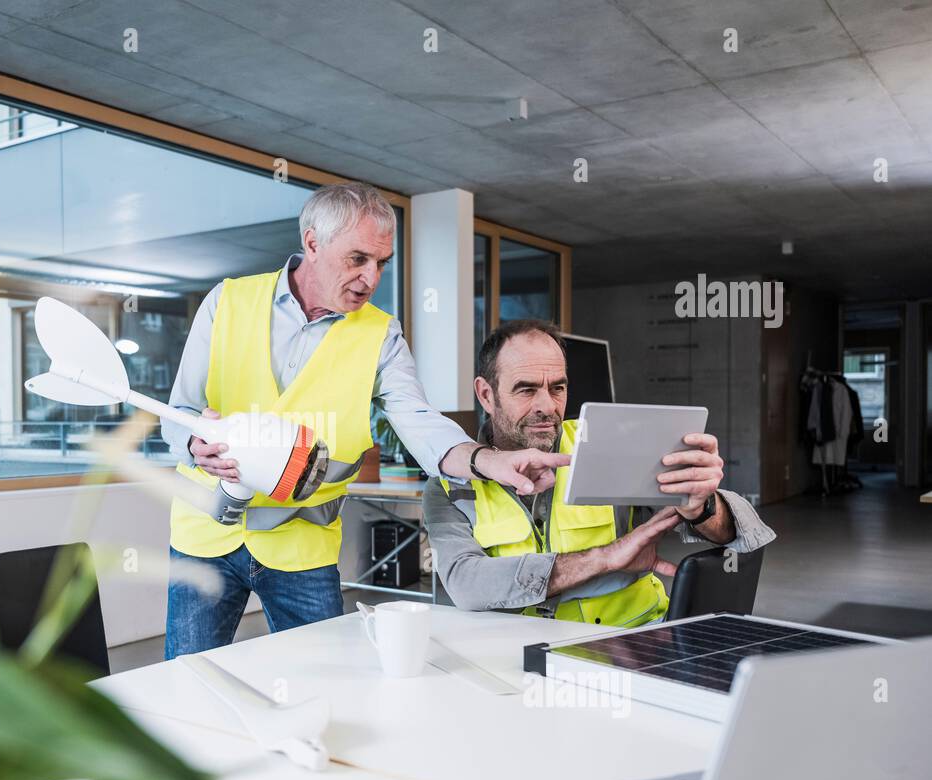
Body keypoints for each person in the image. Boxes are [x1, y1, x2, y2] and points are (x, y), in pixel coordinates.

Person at [161, 183, 569, 658]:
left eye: (381, 263)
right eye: (358, 259)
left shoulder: (381, 334)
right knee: (185, 679)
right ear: (313, 244)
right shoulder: (226, 301)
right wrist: (196, 444)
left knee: (327, 681)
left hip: (303, 546)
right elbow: (179, 414)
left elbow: (418, 420)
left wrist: (487, 460)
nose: (371, 278)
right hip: (204, 534)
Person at [424, 319, 775, 625]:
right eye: (526, 389)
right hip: (521, 657)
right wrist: (606, 558)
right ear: (486, 395)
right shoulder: (451, 484)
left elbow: (737, 535)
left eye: (557, 387)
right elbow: (468, 585)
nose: (547, 406)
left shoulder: (607, 444)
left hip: (635, 643)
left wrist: (703, 507)